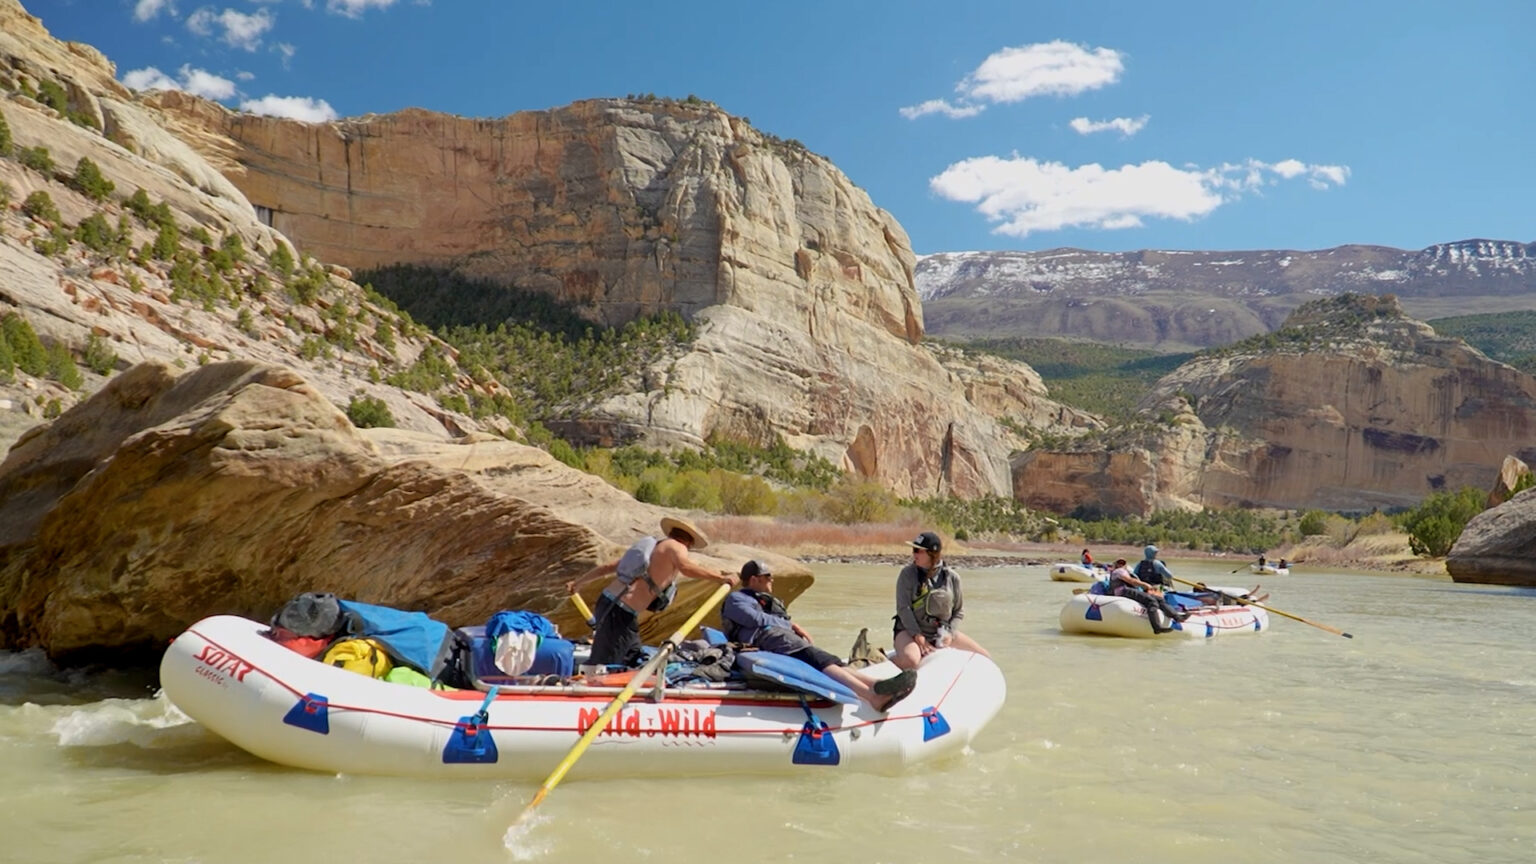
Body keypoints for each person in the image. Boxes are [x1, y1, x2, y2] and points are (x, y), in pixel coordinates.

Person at [722, 560, 918, 712]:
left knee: (825, 659)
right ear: (755, 579)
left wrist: (790, 627)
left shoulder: (761, 599)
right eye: (767, 576)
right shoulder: (736, 599)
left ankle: (875, 686)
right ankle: (873, 696)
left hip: (779, 640)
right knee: (820, 660)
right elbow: (753, 618)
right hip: (769, 641)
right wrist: (791, 625)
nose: (772, 580)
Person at [566, 516, 737, 667]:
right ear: (689, 541)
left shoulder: (651, 549)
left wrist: (579, 582)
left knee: (632, 654)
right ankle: (591, 692)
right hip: (619, 611)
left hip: (611, 605)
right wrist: (720, 579)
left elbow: (608, 567)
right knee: (606, 664)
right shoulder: (677, 547)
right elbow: (686, 568)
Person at [892, 531, 989, 671]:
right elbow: (903, 608)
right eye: (914, 550)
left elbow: (958, 611)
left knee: (984, 657)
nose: (914, 554)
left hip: (941, 633)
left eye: (918, 551)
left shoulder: (952, 578)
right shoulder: (907, 574)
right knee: (911, 661)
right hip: (909, 631)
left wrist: (950, 633)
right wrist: (917, 636)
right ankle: (882, 662)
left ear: (932, 554)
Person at [1107, 556, 1189, 634]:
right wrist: (1146, 585)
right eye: (1119, 563)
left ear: (1125, 564)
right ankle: (1157, 627)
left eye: (1123, 563)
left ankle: (1177, 617)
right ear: (1116, 564)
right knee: (1152, 601)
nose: (1121, 564)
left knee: (1159, 599)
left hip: (1129, 591)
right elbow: (1131, 581)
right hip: (1124, 591)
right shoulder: (1119, 571)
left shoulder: (1125, 571)